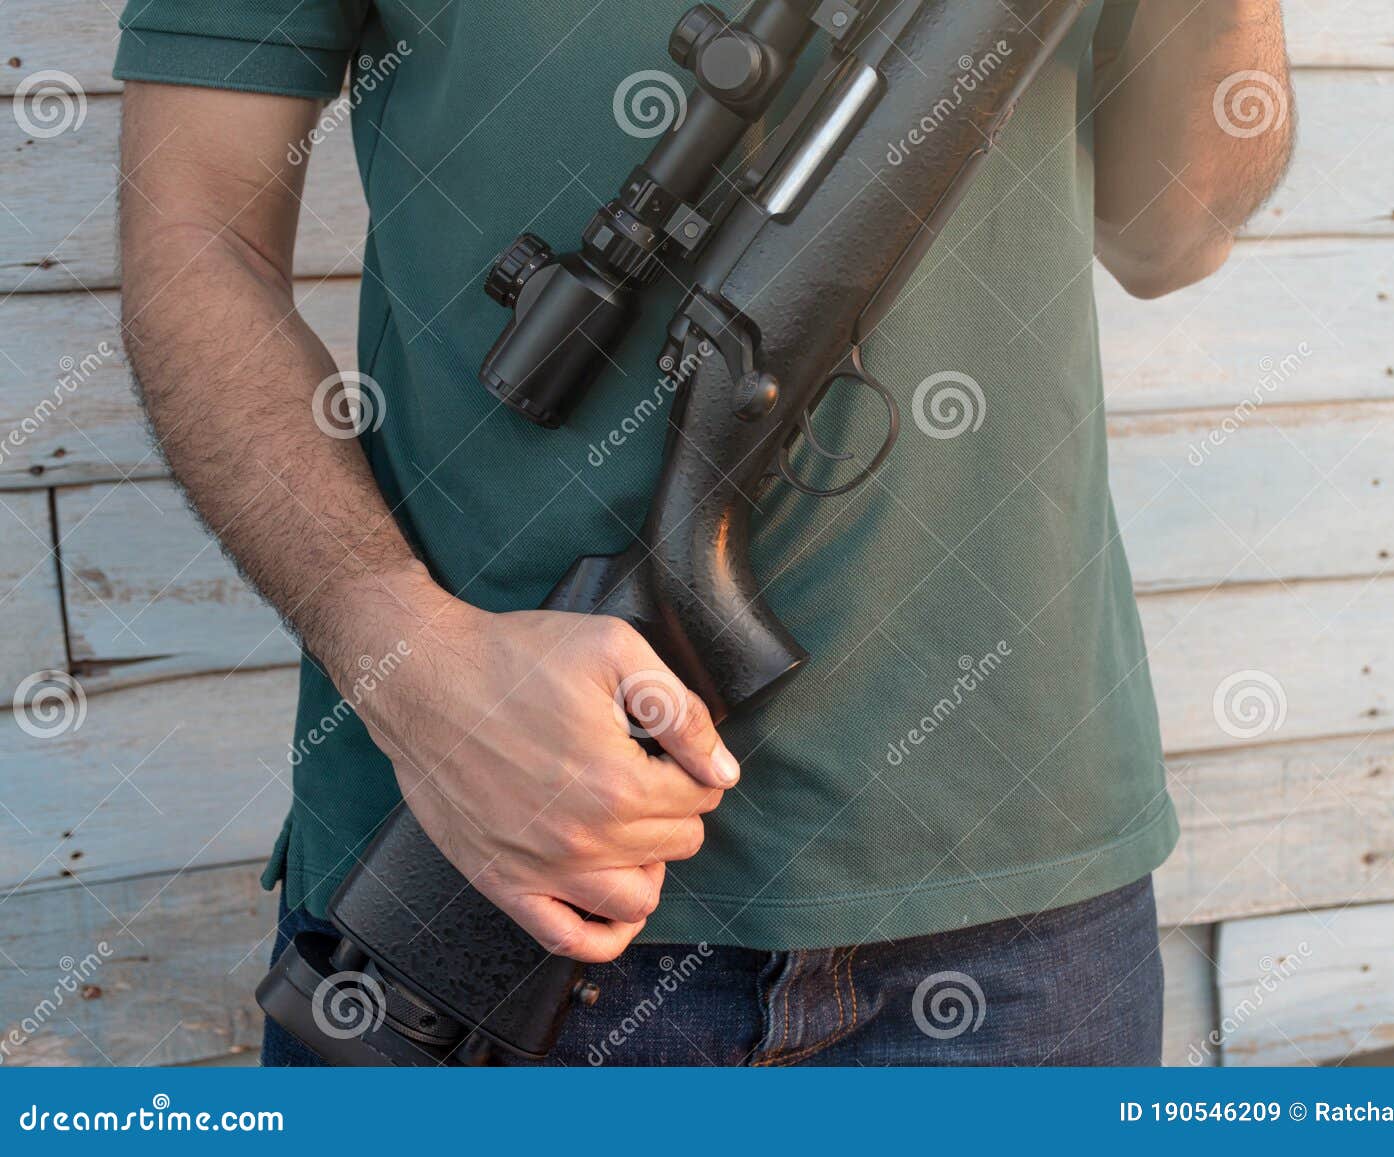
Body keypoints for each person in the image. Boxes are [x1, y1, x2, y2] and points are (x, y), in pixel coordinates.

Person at [114, 0, 1293, 1066]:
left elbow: (1170, 236)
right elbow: (194, 238)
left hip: (1018, 898)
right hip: (500, 847)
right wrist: (405, 663)